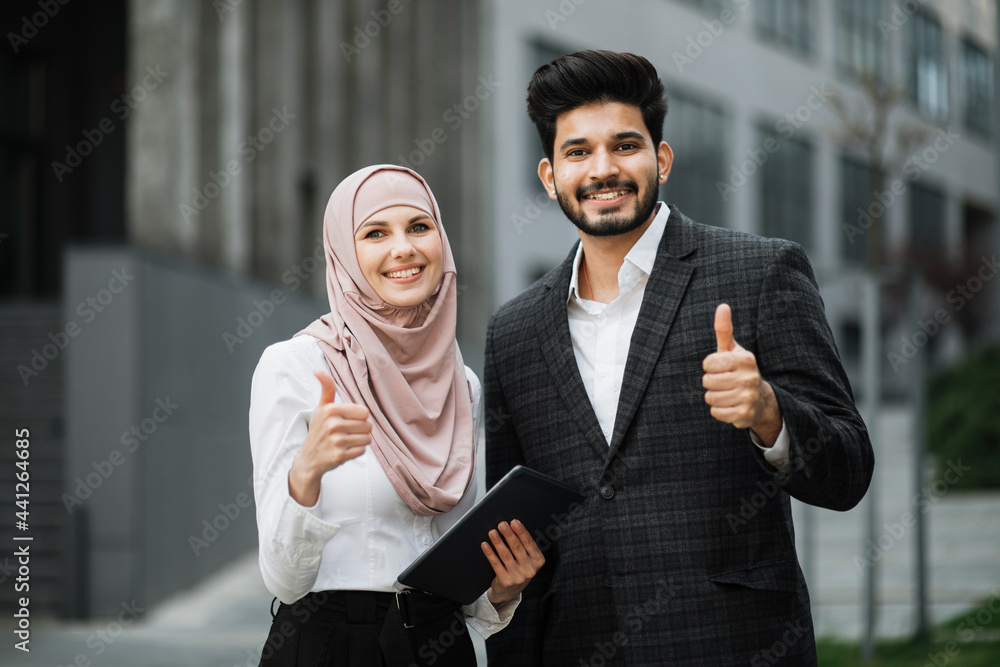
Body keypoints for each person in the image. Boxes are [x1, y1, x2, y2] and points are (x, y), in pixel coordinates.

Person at [484, 50, 874, 666]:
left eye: (625, 145)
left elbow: (849, 469)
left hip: (729, 645)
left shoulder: (760, 272)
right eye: (578, 152)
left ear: (661, 159)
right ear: (549, 175)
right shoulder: (513, 331)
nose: (603, 169)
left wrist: (770, 414)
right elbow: (513, 536)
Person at [250, 164, 544, 666]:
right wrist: (306, 474)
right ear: (344, 252)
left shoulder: (461, 383)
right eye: (376, 233)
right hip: (330, 646)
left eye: (419, 227)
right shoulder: (295, 367)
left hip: (438, 643)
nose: (403, 247)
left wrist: (501, 589)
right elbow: (283, 580)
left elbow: (449, 562)